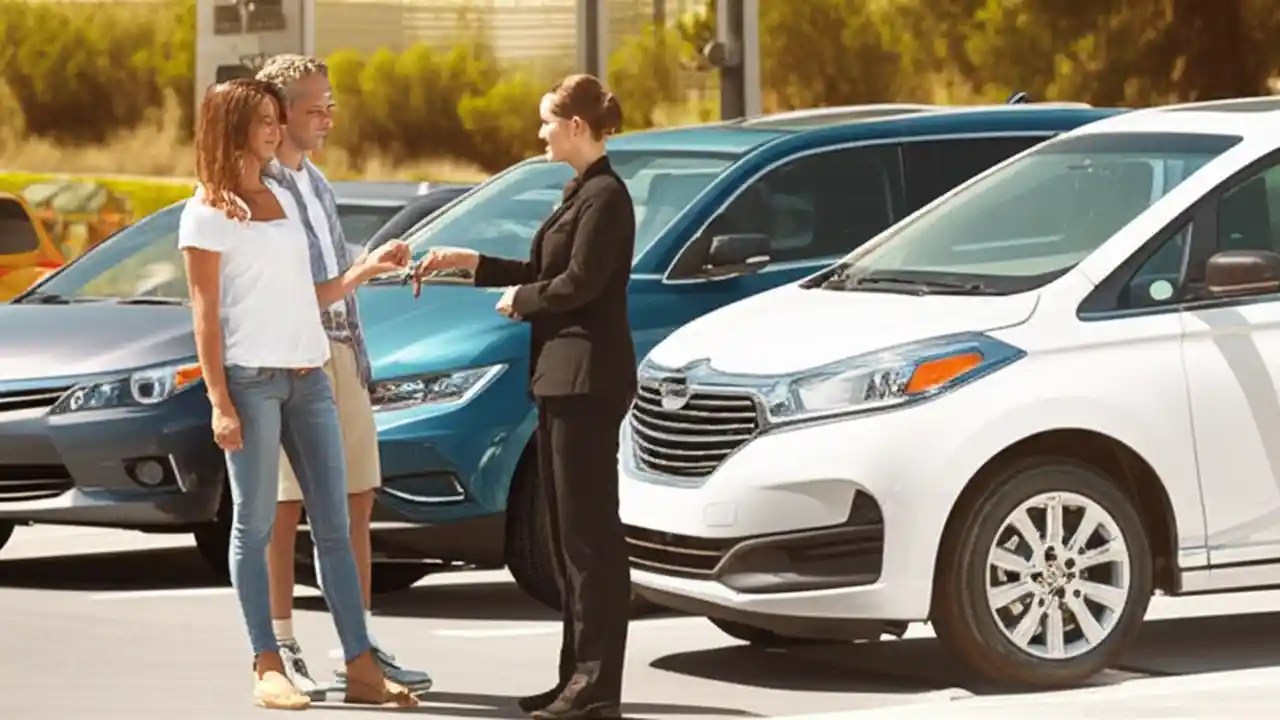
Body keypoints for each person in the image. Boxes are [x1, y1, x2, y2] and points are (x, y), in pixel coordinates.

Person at [179, 77, 419, 710]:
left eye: (273, 118)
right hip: (251, 384)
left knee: (335, 526)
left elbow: (305, 296)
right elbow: (205, 315)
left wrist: (361, 274)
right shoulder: (205, 211)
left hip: (309, 375)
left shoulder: (281, 199)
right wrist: (219, 401)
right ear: (231, 126)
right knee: (254, 526)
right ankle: (266, 663)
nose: (274, 129)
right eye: (262, 120)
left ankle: (361, 668)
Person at [412, 73, 635, 720]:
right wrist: (473, 264)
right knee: (568, 539)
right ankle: (576, 680)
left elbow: (581, 284)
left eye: (546, 121)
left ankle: (597, 687)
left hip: (587, 380)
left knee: (590, 538)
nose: (539, 132)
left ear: (575, 127)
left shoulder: (607, 197)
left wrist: (523, 301)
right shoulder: (581, 194)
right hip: (560, 377)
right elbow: (548, 273)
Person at [253, 53, 432, 698]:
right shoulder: (260, 188)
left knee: (358, 502)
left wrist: (369, 266)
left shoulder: (318, 182)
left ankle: (358, 648)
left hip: (343, 354)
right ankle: (281, 645)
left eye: (332, 104)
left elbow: (334, 276)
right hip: (291, 359)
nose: (328, 117)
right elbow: (290, 291)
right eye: (316, 107)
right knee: (283, 507)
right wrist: (362, 274)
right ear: (280, 112)